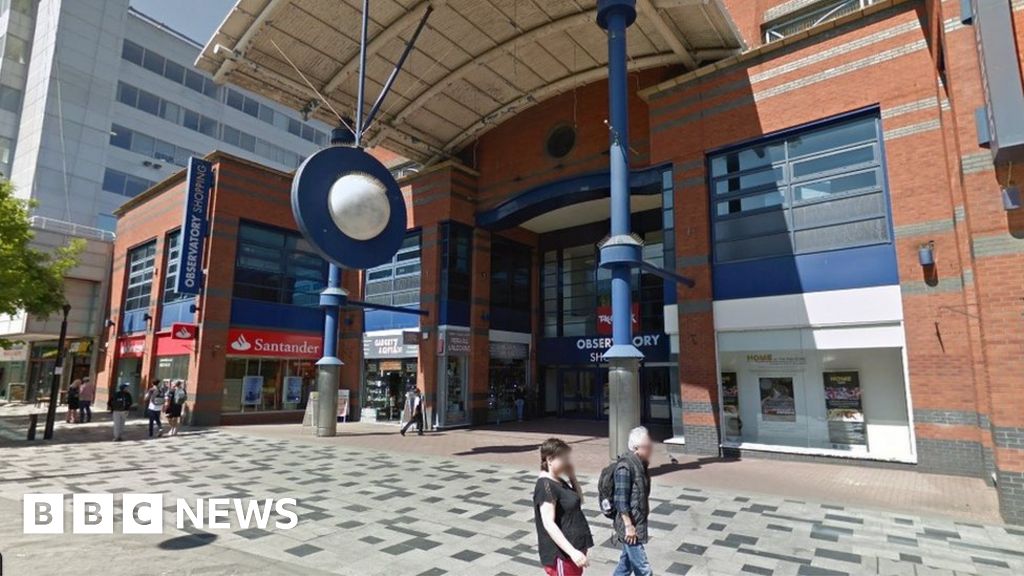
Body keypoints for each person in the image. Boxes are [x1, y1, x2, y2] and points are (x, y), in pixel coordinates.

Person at [533, 438, 592, 575]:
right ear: (550, 460)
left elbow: (579, 501)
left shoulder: (558, 480)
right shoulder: (545, 486)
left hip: (574, 549)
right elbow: (548, 523)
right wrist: (573, 552)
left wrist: (572, 477)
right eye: (564, 459)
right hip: (561, 555)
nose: (567, 462)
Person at [612, 427, 654, 576]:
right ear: (636, 448)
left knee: (625, 566)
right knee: (644, 570)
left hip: (637, 523)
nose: (650, 449)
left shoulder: (641, 465)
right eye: (647, 446)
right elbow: (621, 500)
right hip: (630, 527)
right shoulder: (625, 467)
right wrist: (629, 526)